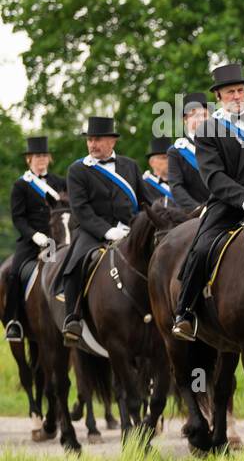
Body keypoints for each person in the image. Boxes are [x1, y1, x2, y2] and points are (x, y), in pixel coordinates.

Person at [170, 63, 244, 341]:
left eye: (240, 90)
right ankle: (184, 312)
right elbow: (214, 176)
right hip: (228, 205)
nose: (237, 96)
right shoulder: (208, 130)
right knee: (200, 250)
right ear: (219, 97)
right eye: (230, 92)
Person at [57, 117, 145, 344]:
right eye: (89, 140)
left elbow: (145, 201)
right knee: (76, 263)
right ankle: (72, 317)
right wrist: (107, 231)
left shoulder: (130, 166)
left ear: (112, 142)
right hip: (91, 230)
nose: (92, 144)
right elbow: (81, 210)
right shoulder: (77, 170)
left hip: (130, 227)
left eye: (97, 140)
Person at [4, 136, 66, 342]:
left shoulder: (59, 182)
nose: (41, 160)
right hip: (32, 241)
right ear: (28, 160)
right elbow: (18, 218)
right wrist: (34, 235)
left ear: (49, 159)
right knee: (14, 273)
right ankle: (15, 321)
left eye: (44, 156)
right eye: (36, 156)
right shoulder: (21, 185)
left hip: (59, 239)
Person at [169, 91, 210, 213]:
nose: (201, 119)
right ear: (185, 119)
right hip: (199, 213)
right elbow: (176, 187)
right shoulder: (176, 152)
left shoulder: (222, 144)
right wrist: (198, 209)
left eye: (204, 114)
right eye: (194, 115)